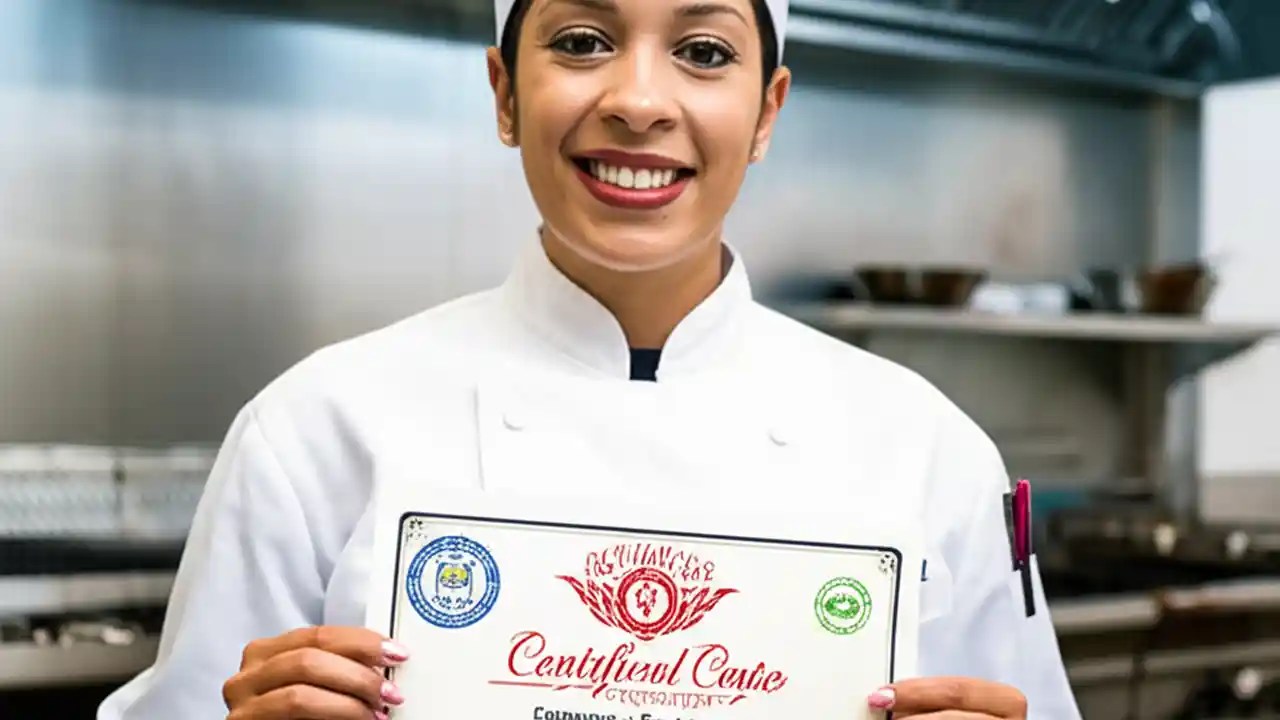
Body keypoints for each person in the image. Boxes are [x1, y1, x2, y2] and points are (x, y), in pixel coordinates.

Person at [99, 0, 1081, 717]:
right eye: (580, 42)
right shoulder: (314, 428)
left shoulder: (925, 447)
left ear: (768, 111)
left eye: (701, 51)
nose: (638, 101)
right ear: (503, 93)